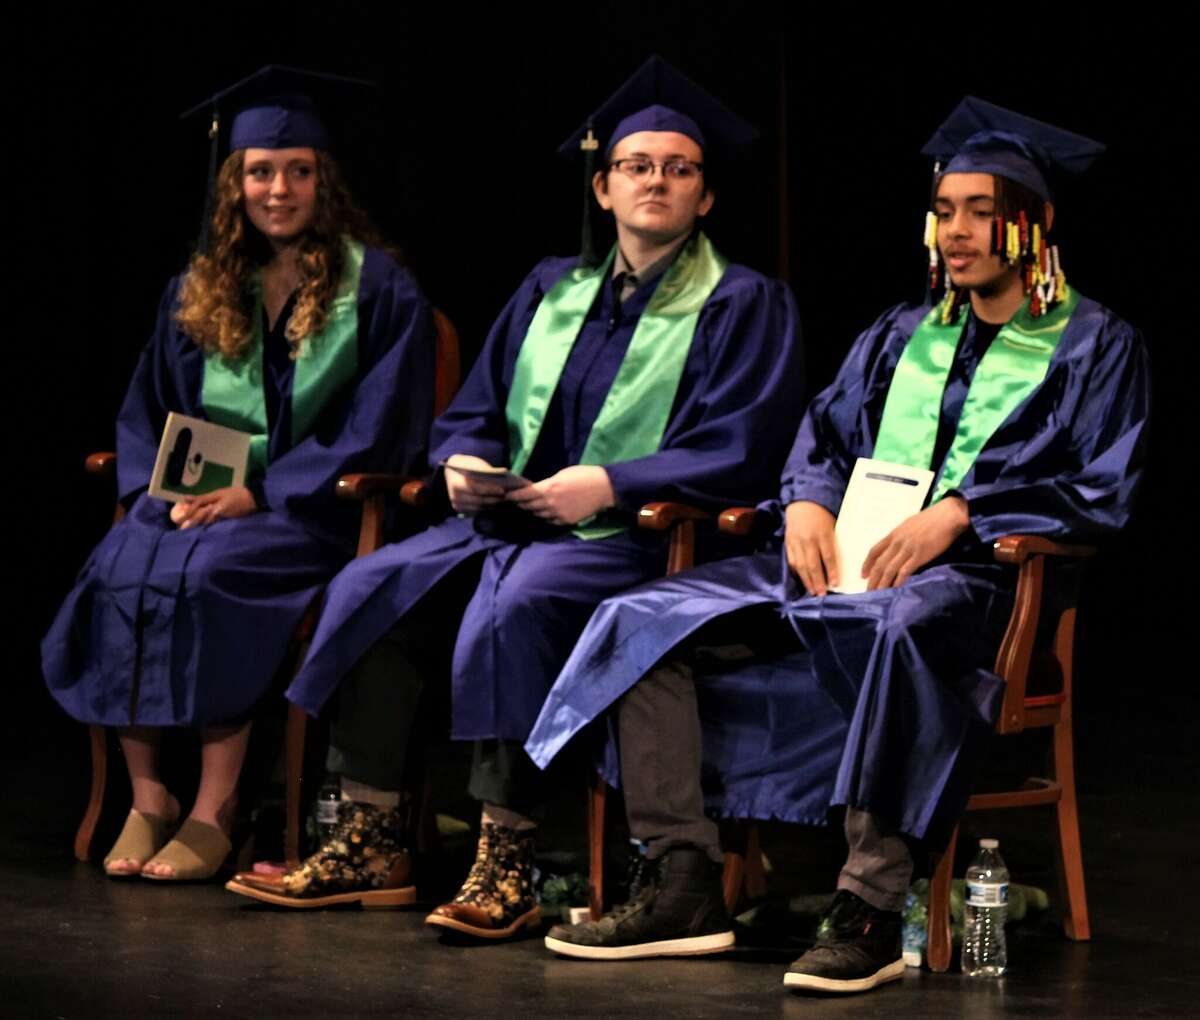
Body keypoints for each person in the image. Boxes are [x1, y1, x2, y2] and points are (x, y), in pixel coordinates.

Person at [526, 97, 1150, 990]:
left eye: (982, 210)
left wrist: (967, 511)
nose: (958, 232)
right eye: (944, 212)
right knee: (643, 615)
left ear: (1035, 222)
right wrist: (810, 503)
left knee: (906, 626)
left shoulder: (1097, 345)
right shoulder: (901, 334)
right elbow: (820, 440)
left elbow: (1101, 487)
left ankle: (867, 903)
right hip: (843, 566)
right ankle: (681, 878)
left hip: (979, 586)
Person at [225, 57, 805, 932]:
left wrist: (606, 484)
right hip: (515, 523)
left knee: (519, 604)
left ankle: (508, 858)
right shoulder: (551, 288)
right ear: (602, 188)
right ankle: (371, 835)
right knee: (376, 585)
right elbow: (477, 411)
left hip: (644, 542)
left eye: (678, 168)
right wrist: (462, 462)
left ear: (706, 198)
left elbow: (744, 446)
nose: (656, 180)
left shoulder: (747, 303)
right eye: (635, 165)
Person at [42, 66, 436, 882]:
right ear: (236, 183)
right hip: (196, 498)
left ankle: (215, 810)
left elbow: (382, 427)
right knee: (120, 568)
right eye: (261, 171)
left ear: (323, 180)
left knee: (215, 575)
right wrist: (163, 489)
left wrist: (257, 492)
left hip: (307, 513)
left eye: (298, 170)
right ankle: (148, 799)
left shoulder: (379, 289)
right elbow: (147, 405)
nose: (279, 189)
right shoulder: (198, 287)